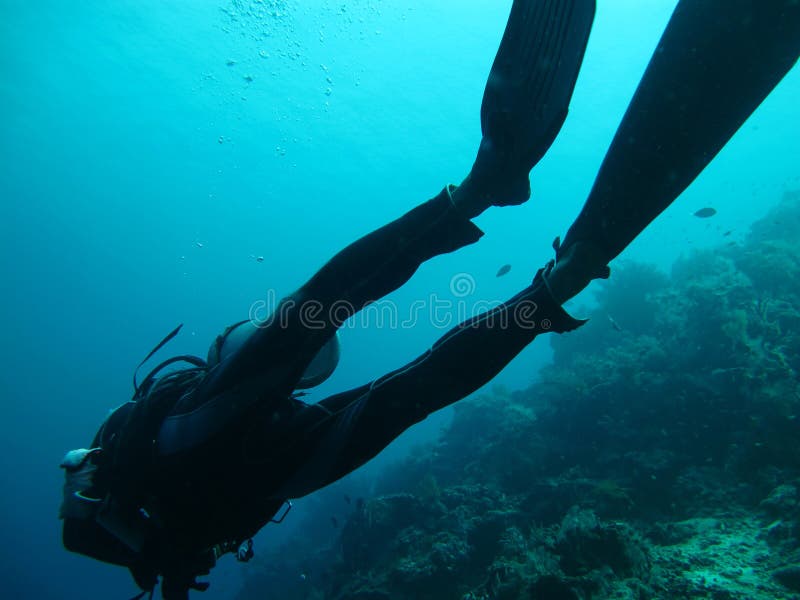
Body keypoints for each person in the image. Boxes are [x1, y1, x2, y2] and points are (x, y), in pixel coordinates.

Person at [59, 1, 800, 598]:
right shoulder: (185, 417)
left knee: (401, 390)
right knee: (327, 321)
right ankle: (483, 201)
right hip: (206, 467)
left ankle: (548, 274)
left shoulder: (195, 473)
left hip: (228, 502)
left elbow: (414, 381)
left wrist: (548, 296)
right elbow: (325, 304)